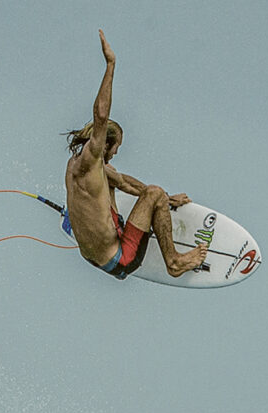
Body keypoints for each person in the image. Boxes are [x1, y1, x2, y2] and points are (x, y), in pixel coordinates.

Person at [62, 30, 208, 279]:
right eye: (115, 146)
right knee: (154, 193)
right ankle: (174, 261)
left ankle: (142, 214)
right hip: (120, 257)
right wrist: (110, 65)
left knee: (114, 180)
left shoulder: (75, 166)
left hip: (92, 257)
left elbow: (123, 182)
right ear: (103, 143)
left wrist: (169, 200)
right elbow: (100, 114)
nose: (116, 152)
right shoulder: (91, 157)